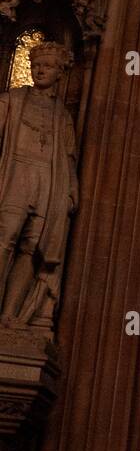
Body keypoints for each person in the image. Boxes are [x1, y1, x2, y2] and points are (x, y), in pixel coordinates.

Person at [0, 42, 78, 327]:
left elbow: (68, 157)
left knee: (32, 248)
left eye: (47, 66)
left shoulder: (63, 115)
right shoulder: (13, 100)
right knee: (3, 239)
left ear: (60, 72)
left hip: (49, 181)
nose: (40, 70)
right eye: (36, 65)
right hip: (16, 173)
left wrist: (71, 189)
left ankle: (10, 314)